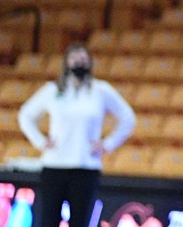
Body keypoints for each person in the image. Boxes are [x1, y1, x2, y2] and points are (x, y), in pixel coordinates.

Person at [17, 43, 135, 227]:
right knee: (49, 220)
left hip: (85, 166)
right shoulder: (53, 90)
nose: (79, 63)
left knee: (80, 221)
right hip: (55, 166)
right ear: (66, 63)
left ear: (89, 63)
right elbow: (26, 114)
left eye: (83, 59)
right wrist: (39, 141)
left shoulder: (100, 90)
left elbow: (128, 118)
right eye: (75, 59)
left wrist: (108, 144)